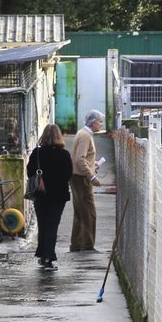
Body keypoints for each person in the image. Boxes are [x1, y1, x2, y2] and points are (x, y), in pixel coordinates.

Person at [26, 125, 73, 270]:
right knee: (52, 226)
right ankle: (48, 259)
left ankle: (42, 255)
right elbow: (68, 175)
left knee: (43, 224)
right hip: (58, 196)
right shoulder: (64, 154)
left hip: (41, 195)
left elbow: (29, 172)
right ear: (59, 136)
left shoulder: (37, 153)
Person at [69, 110, 104, 251]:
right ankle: (87, 245)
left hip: (76, 176)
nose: (101, 124)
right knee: (89, 213)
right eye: (100, 121)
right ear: (94, 122)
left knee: (80, 212)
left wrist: (92, 163)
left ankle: (77, 244)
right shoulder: (85, 136)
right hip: (81, 178)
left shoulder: (83, 134)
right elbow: (79, 159)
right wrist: (92, 176)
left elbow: (82, 157)